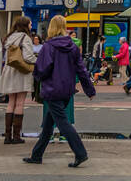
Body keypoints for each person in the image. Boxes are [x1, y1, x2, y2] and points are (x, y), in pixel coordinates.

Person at [23, 14, 96, 167]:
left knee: (63, 123)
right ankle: (36, 155)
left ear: (51, 28)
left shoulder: (48, 47)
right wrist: (89, 89)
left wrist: (37, 77)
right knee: (49, 124)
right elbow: (81, 70)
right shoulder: (73, 47)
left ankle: (80, 153)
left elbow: (42, 69)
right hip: (67, 90)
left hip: (52, 89)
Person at [0, 16, 37, 145]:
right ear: (25, 25)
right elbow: (28, 57)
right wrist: (37, 61)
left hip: (9, 70)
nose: (31, 25)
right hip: (21, 72)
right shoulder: (25, 38)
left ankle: (7, 136)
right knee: (20, 103)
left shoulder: (10, 37)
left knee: (11, 102)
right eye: (30, 24)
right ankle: (16, 136)